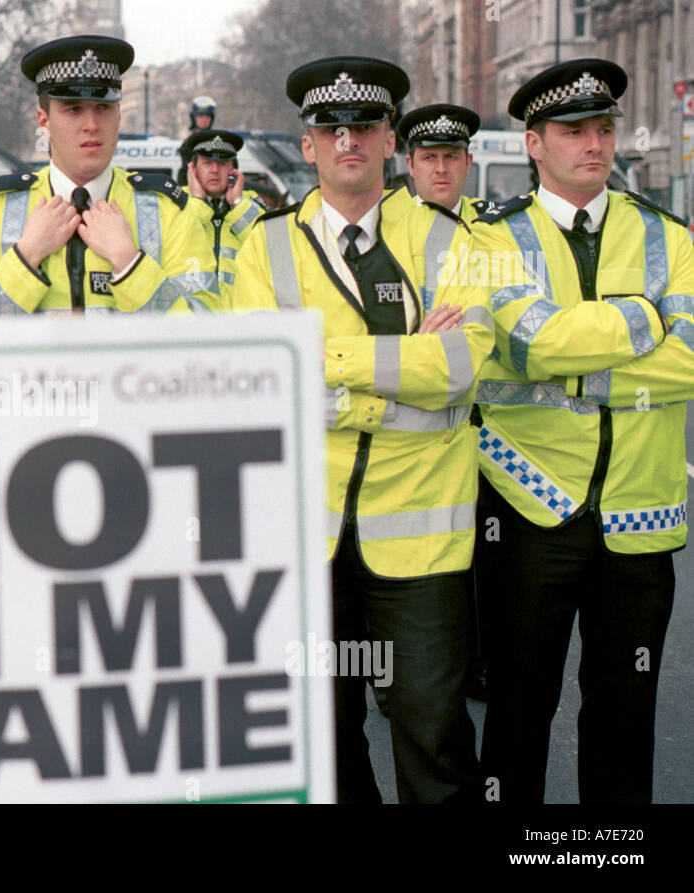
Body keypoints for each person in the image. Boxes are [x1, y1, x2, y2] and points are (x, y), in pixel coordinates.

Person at [232, 56, 489, 804]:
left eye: (365, 127)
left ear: (388, 140)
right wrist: (404, 358)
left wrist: (323, 355)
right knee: (322, 733)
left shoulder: (449, 238)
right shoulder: (265, 244)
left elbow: (461, 363)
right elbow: (263, 374)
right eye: (330, 129)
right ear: (307, 145)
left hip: (423, 538)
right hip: (307, 535)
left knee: (434, 730)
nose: (348, 141)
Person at [471, 59, 694, 803]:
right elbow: (526, 342)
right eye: (573, 131)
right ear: (533, 143)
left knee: (627, 716)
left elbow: (690, 360)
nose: (594, 144)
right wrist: (646, 319)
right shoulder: (491, 239)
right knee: (518, 709)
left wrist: (568, 367)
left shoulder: (669, 234)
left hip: (640, 514)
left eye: (604, 128)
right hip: (531, 505)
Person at [0, 35, 219, 317]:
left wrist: (129, 263)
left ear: (119, 114)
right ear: (43, 120)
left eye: (103, 108)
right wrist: (25, 259)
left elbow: (207, 332)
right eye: (73, 109)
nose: (92, 125)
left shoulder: (168, 211)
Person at [179, 129, 264, 287]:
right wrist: (197, 200)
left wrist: (237, 203)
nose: (215, 170)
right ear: (193, 168)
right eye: (207, 163)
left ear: (234, 170)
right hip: (194, 310)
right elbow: (177, 241)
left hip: (239, 310)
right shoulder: (176, 201)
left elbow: (266, 249)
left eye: (223, 164)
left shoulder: (250, 203)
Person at [396, 103, 488, 223]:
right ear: (410, 165)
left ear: (468, 163)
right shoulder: (390, 226)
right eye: (429, 158)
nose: (441, 169)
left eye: (451, 157)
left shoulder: (491, 228)